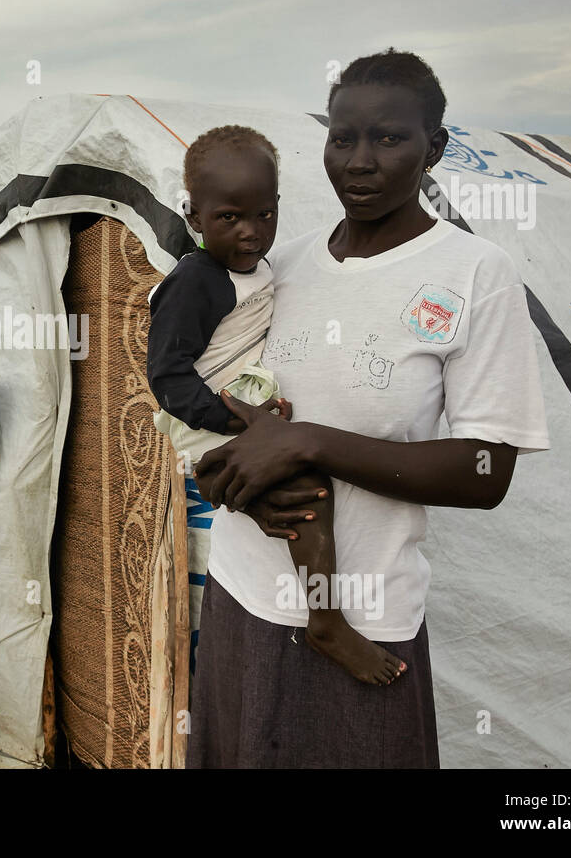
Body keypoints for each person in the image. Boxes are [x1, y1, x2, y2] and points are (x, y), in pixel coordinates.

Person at [187, 49, 550, 768]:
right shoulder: (273, 268)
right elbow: (216, 408)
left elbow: (486, 472)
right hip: (241, 598)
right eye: (343, 137)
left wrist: (309, 444)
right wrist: (234, 483)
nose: (360, 160)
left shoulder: (475, 275)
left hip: (363, 621)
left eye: (389, 139)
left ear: (433, 149)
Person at [148, 125, 407, 685]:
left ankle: (270, 534)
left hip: (236, 406)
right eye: (230, 218)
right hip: (200, 412)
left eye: (264, 215)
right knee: (306, 492)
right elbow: (165, 376)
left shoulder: (262, 268)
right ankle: (325, 621)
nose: (250, 232)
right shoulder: (194, 280)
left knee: (296, 487)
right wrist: (236, 420)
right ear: (194, 218)